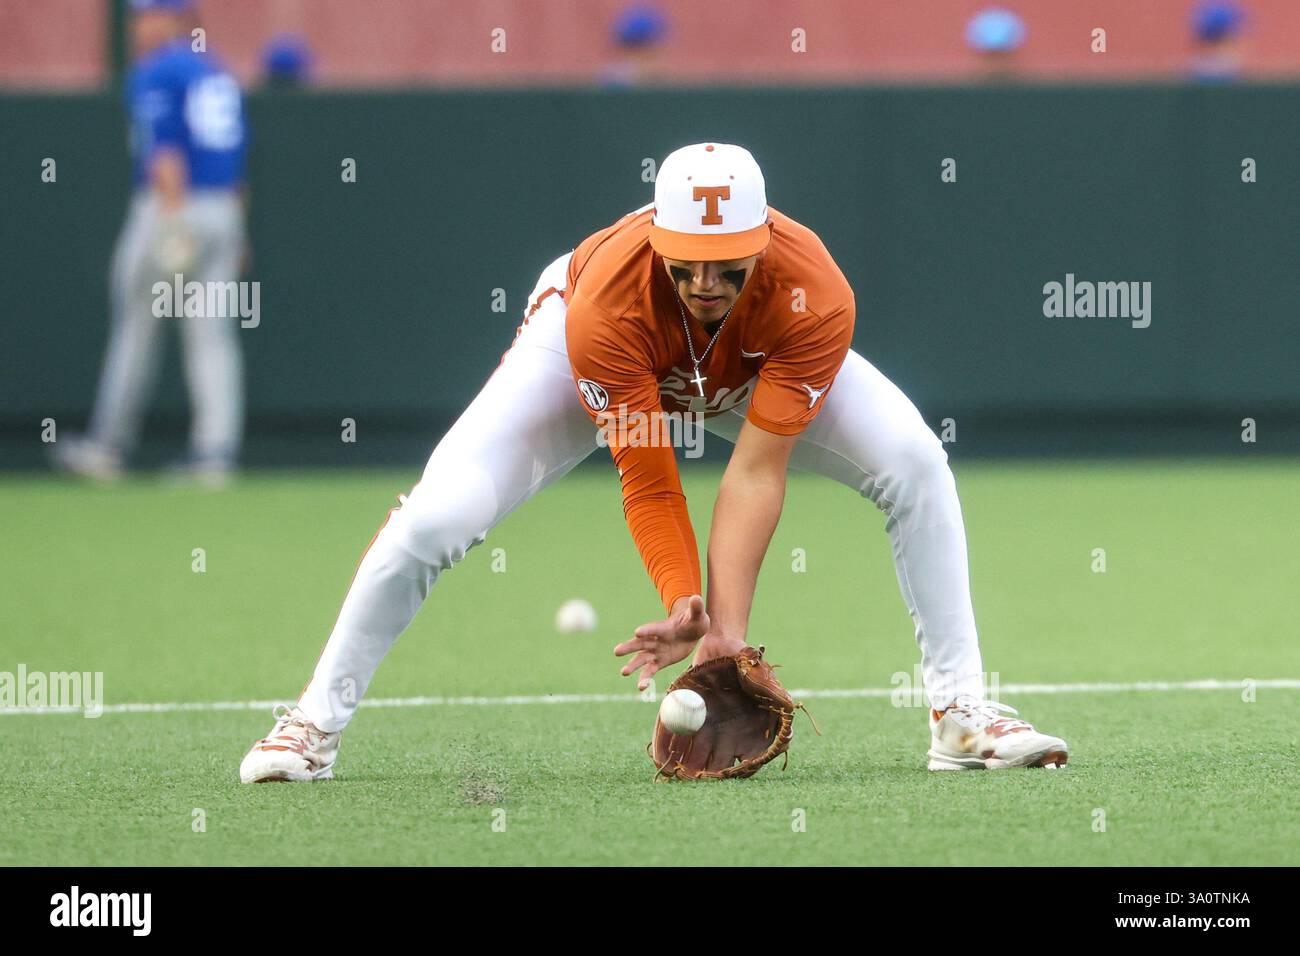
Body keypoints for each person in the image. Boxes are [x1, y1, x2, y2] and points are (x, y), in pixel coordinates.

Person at [240, 143, 1068, 782]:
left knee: (917, 460)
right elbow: (648, 475)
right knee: (438, 516)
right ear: (659, 240)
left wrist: (725, 638)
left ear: (764, 240)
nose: (706, 280)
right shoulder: (610, 303)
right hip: (583, 354)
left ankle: (961, 718)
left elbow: (752, 469)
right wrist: (683, 599)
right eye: (687, 260)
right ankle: (312, 726)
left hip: (743, 366)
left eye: (729, 262)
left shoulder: (812, 292)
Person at [53, 0, 248, 485]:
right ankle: (215, 454)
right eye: (137, 16)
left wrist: (174, 218)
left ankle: (108, 445)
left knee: (136, 327)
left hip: (171, 209)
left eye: (149, 15)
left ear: (177, 19)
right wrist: (237, 228)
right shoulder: (213, 68)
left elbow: (165, 154)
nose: (139, 26)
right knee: (210, 335)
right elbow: (237, 154)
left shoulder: (157, 70)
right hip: (222, 209)